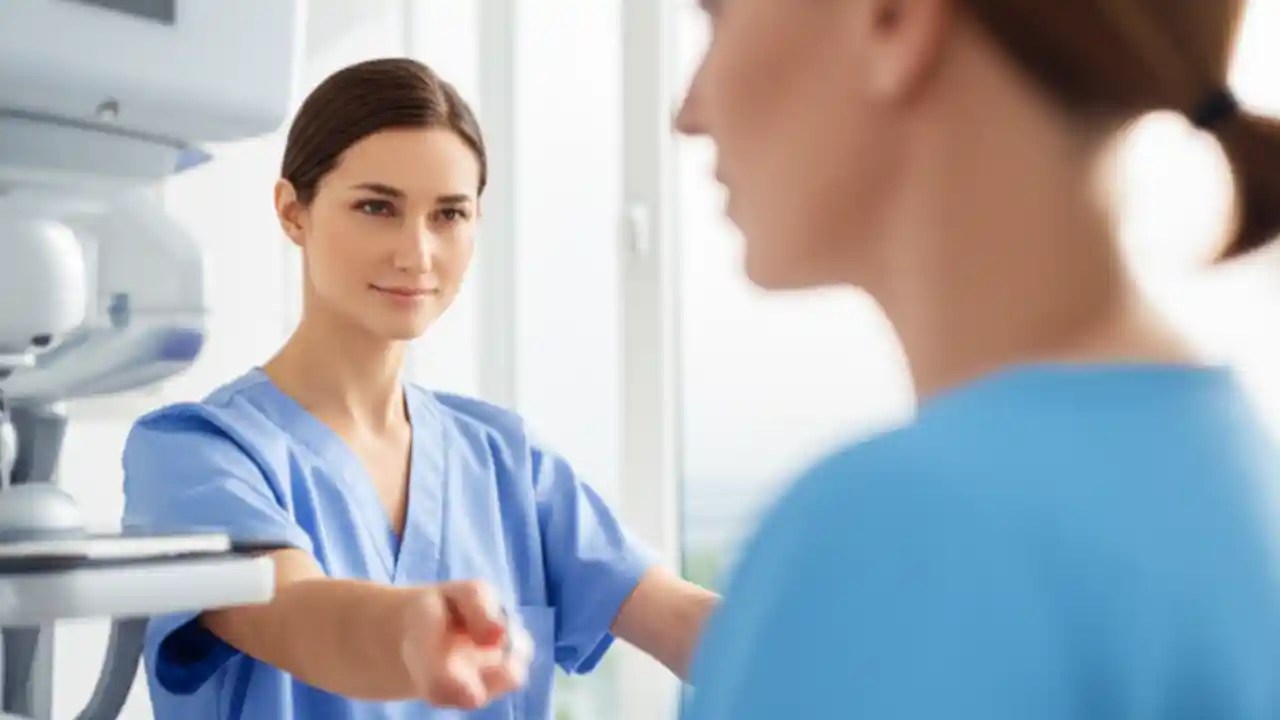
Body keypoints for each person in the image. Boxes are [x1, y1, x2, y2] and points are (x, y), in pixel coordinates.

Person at [675, 0, 1280, 718]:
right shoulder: (1226, 471)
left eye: (717, 16)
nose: (688, 112)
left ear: (894, 19)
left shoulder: (898, 541)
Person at [122, 57, 718, 720]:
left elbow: (679, 617)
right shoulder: (195, 453)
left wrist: (805, 638)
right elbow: (295, 611)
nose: (417, 253)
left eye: (448, 214)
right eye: (377, 207)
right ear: (293, 212)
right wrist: (408, 631)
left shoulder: (507, 460)